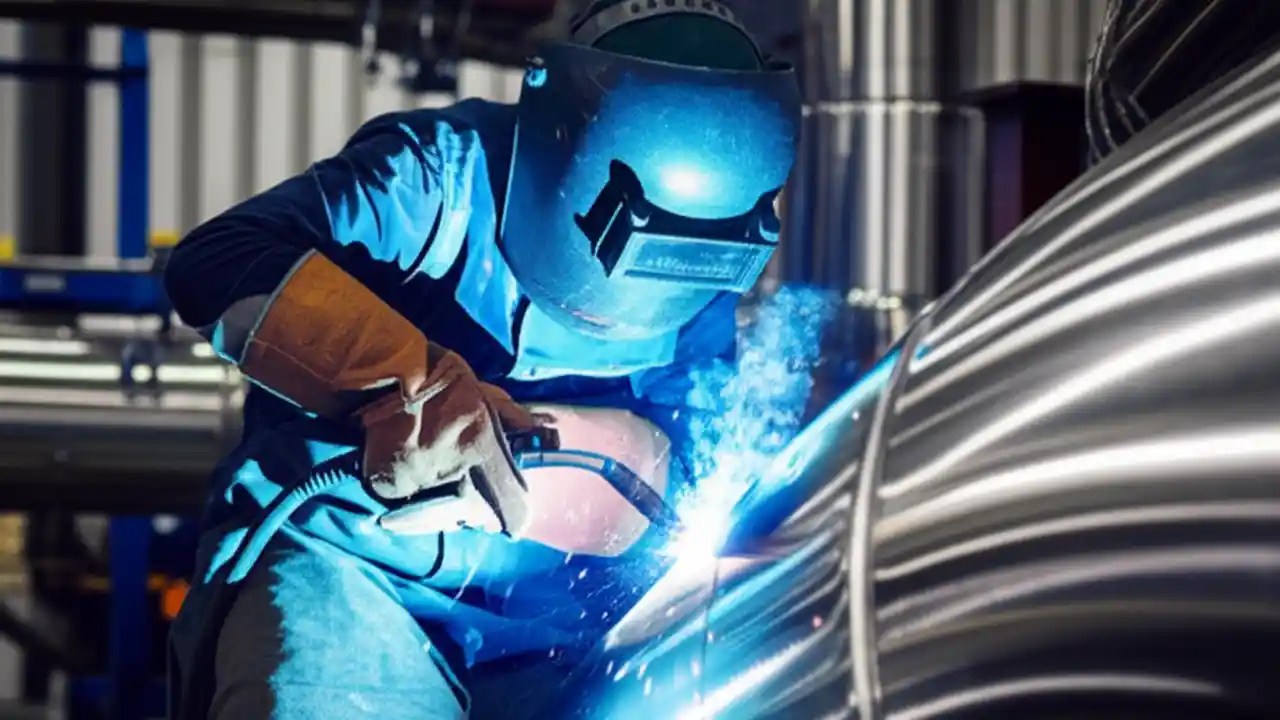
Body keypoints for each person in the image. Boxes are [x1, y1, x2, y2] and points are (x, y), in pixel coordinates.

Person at [162, 0, 801, 717]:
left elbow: (684, 473)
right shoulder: (436, 178)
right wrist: (414, 382)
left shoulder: (708, 255)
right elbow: (218, 263)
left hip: (558, 619)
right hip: (355, 575)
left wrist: (545, 464)